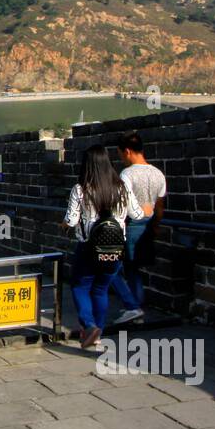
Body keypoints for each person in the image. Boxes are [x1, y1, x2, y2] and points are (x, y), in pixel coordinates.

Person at [62, 145, 145, 350]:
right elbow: (138, 215)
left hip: (88, 248)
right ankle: (98, 331)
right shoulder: (122, 187)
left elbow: (71, 221)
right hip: (115, 249)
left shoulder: (81, 189)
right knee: (101, 289)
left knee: (80, 286)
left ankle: (89, 326)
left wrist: (63, 224)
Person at [111, 132, 167, 323]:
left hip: (130, 224)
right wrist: (155, 227)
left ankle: (132, 306)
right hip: (148, 224)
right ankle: (136, 311)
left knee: (111, 267)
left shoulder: (127, 174)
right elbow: (160, 206)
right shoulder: (158, 173)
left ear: (127, 151)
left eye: (120, 154)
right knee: (134, 269)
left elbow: (122, 205)